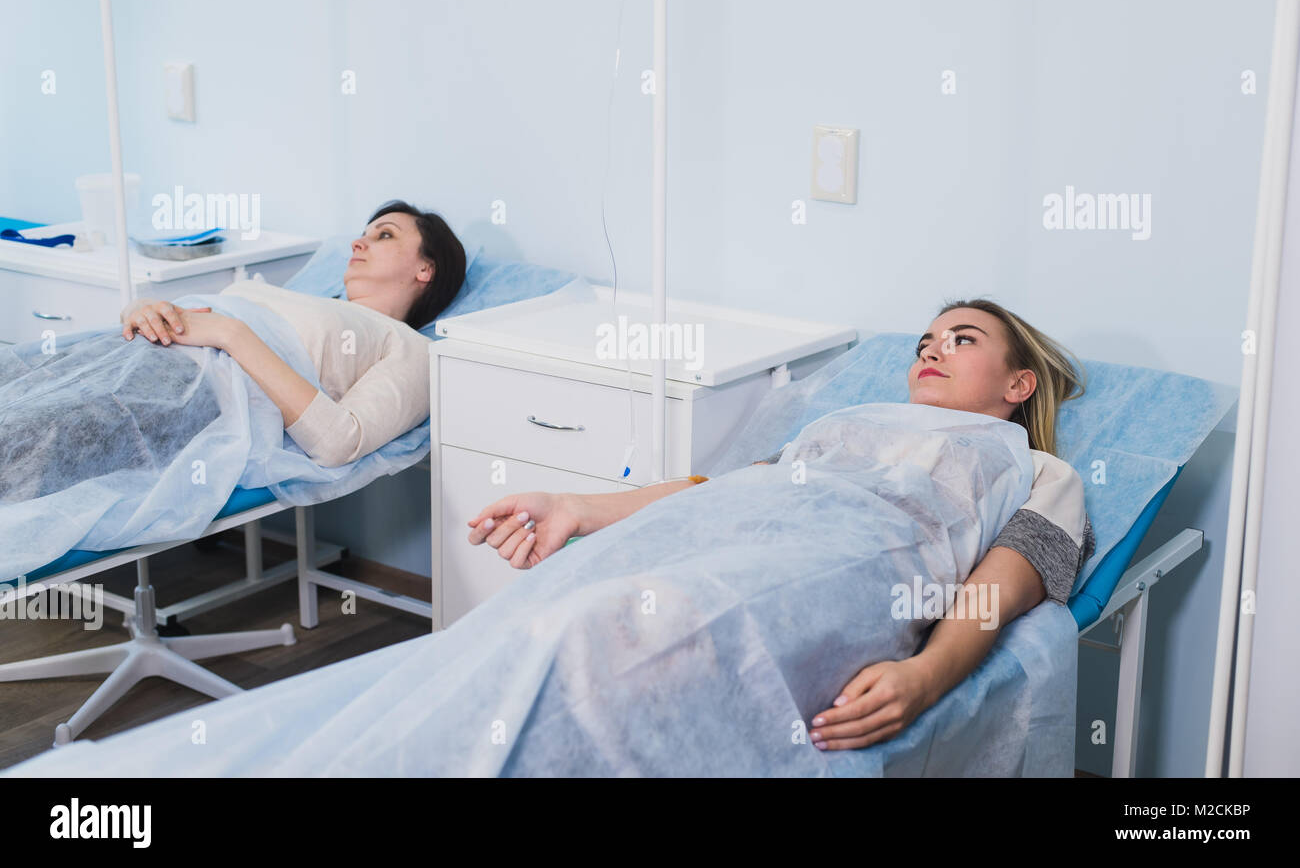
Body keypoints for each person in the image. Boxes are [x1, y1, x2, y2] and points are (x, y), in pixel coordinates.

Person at [465, 298, 1095, 754]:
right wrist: (577, 507)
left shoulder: (1039, 470)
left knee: (625, 640)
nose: (932, 349)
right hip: (737, 534)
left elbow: (998, 587)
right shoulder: (849, 428)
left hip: (855, 565)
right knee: (552, 629)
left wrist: (926, 677)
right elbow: (723, 493)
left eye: (962, 339)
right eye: (925, 342)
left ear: (1019, 383)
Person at [119, 200, 465, 467]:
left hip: (175, 397)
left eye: (384, 235)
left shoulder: (411, 347)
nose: (358, 243)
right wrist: (143, 310)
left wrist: (230, 333)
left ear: (426, 268)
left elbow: (339, 442)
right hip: (128, 355)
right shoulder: (306, 300)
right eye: (364, 234)